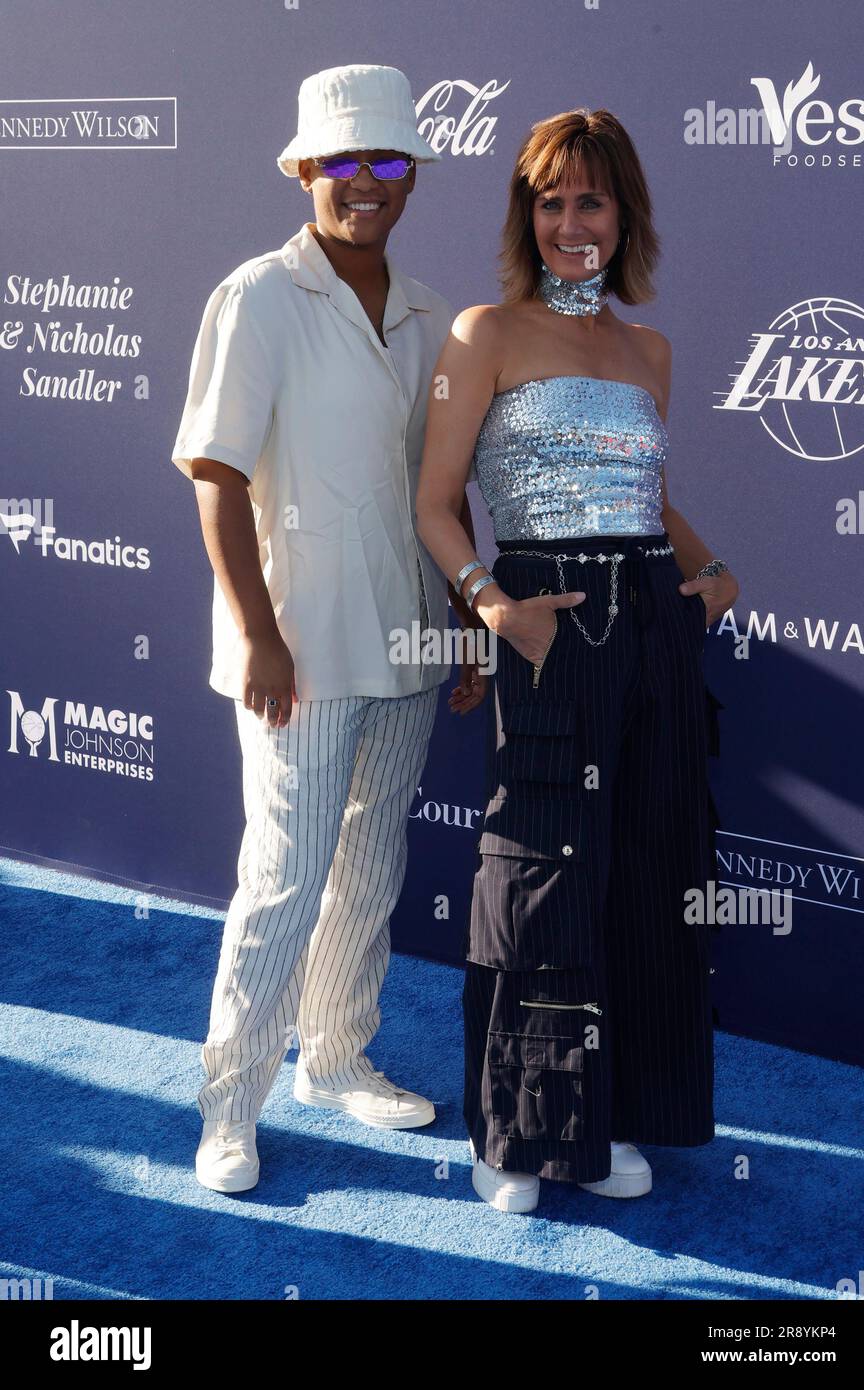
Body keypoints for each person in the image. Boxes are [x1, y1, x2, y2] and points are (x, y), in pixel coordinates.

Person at [416, 107, 738, 1213]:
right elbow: (434, 501)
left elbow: (646, 496)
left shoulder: (649, 350)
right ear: (527, 217)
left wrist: (714, 570)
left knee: (649, 866)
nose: (569, 224)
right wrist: (493, 606)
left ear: (623, 213)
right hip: (548, 620)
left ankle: (612, 1114)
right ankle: (514, 1131)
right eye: (549, 203)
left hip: (650, 619)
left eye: (589, 200)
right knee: (538, 870)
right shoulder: (485, 333)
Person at [170, 63, 483, 1194]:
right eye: (342, 161)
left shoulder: (432, 313)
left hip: (408, 640)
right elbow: (214, 474)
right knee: (282, 877)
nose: (365, 181)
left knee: (370, 865)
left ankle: (337, 1057)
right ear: (304, 169)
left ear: (414, 176)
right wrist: (256, 632)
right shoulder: (257, 295)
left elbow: (438, 490)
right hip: (296, 649)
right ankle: (230, 1104)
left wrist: (465, 616)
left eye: (387, 159)